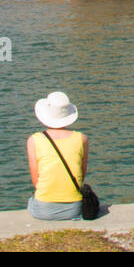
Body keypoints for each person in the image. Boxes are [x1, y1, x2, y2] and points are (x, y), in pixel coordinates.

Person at [26, 91, 88, 220]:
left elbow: (36, 181)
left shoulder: (34, 140)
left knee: (31, 201)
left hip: (43, 210)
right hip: (74, 209)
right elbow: (81, 175)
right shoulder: (81, 138)